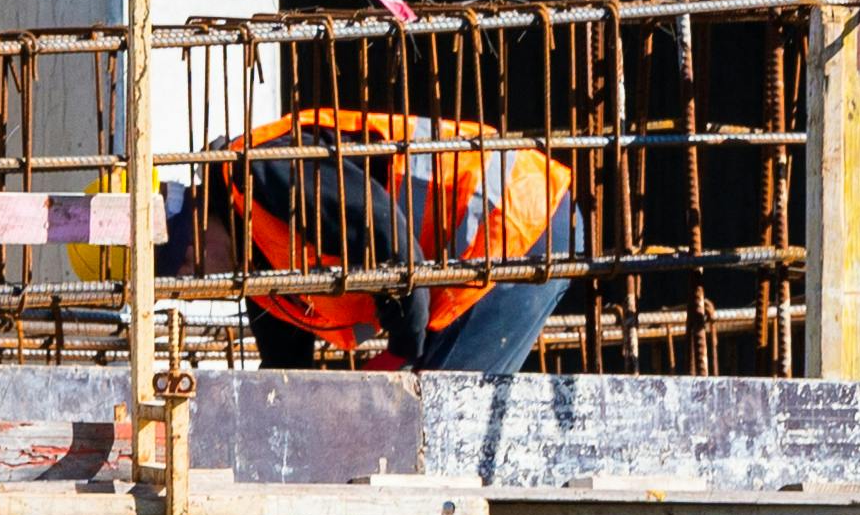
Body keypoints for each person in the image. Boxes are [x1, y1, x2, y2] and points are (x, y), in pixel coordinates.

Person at [178, 106, 582, 377]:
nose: (192, 284)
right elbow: (287, 371)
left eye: (186, 262)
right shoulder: (259, 266)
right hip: (468, 256)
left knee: (439, 416)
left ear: (198, 214)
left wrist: (400, 350)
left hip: (516, 214)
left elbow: (387, 236)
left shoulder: (264, 172)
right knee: (425, 408)